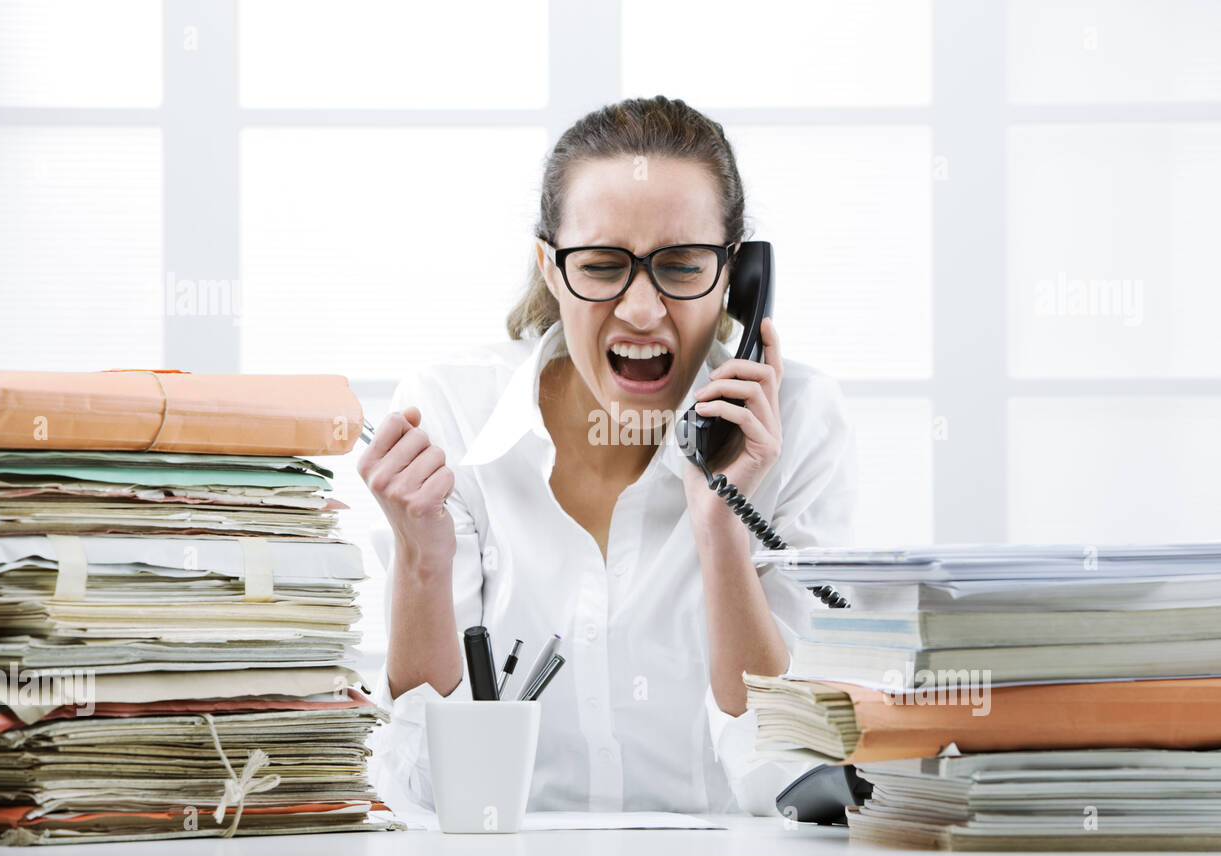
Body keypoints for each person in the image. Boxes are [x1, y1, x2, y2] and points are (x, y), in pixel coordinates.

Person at [360, 95, 858, 818]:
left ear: (738, 275)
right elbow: (428, 792)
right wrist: (422, 564)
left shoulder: (801, 421)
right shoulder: (450, 415)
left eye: (681, 266)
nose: (641, 310)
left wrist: (721, 524)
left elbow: (785, 779)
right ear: (550, 267)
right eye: (601, 266)